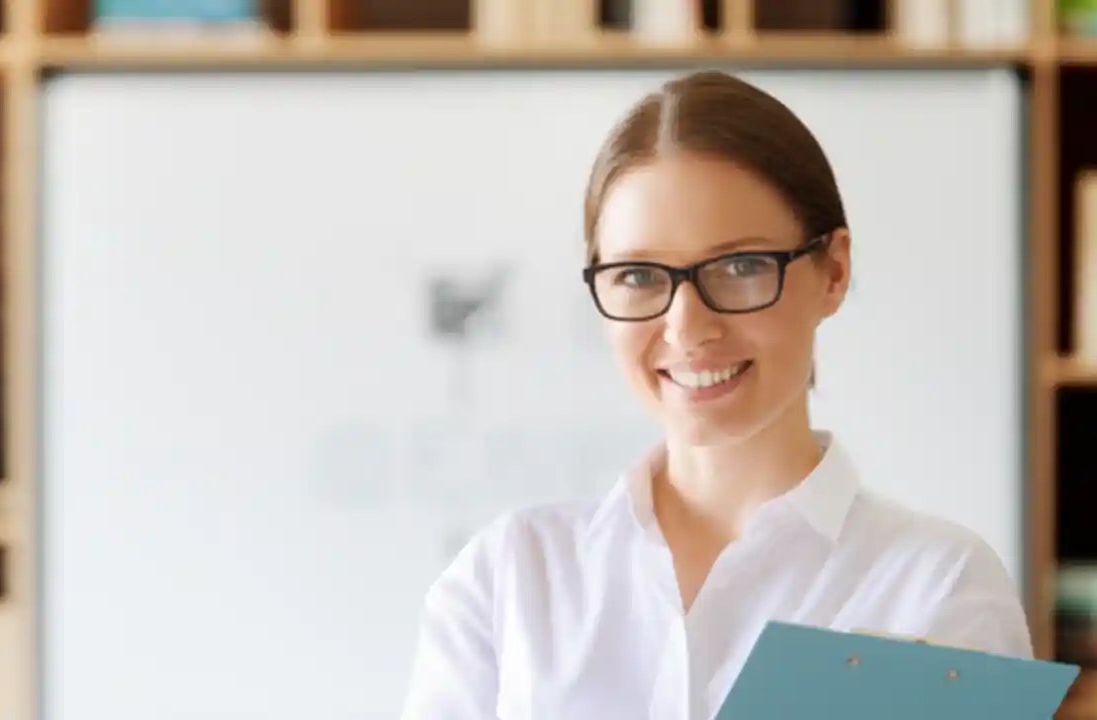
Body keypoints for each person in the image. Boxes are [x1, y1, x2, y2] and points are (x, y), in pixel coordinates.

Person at [398, 70, 1033, 720]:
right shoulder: (509, 581)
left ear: (834, 273)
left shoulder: (935, 589)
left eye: (740, 267)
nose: (687, 327)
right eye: (640, 276)